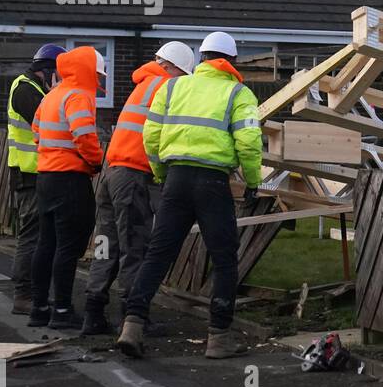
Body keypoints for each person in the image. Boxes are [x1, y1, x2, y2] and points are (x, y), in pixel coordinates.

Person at [119, 31, 262, 360]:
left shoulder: (171, 87)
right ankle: (218, 337)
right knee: (225, 258)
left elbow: (150, 136)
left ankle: (132, 326)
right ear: (232, 62)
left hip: (176, 180)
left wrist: (161, 174)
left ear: (203, 59)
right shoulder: (238, 93)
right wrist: (252, 181)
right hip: (212, 182)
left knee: (158, 254)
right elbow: (250, 142)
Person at [80, 42, 196, 336]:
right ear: (176, 68)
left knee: (106, 246)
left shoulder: (144, 84)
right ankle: (132, 317)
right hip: (134, 177)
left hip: (111, 174)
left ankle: (93, 313)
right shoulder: (168, 87)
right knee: (135, 247)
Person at [28, 45, 106, 329]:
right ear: (87, 70)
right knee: (68, 247)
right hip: (70, 180)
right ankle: (62, 309)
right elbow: (84, 136)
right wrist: (96, 162)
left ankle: (39, 308)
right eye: (97, 75)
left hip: (46, 178)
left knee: (46, 243)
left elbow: (36, 131)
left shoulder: (52, 96)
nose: (99, 82)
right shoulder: (78, 96)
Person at [6, 43, 65, 314]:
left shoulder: (35, 88)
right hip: (28, 174)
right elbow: (46, 120)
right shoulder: (25, 89)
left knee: (39, 236)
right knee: (30, 236)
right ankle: (23, 296)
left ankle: (33, 294)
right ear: (48, 71)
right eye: (59, 74)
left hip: (38, 173)